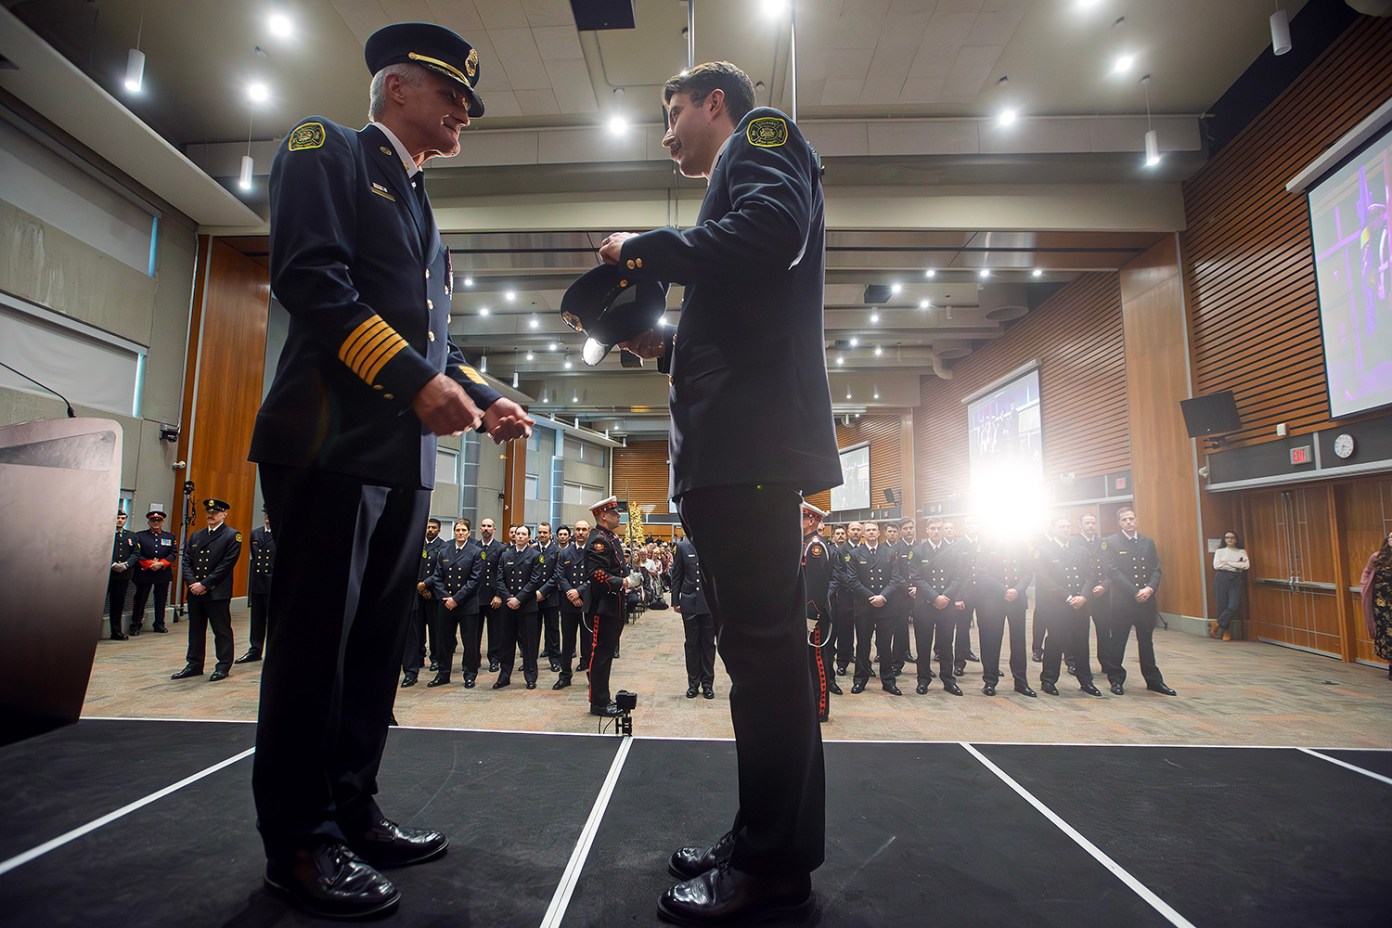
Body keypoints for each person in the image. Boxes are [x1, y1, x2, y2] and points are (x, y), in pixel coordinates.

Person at [246, 22, 533, 920]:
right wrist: (416, 382)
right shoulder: (325, 148)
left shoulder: (418, 204)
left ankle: (351, 808)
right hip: (328, 445)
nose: (463, 115)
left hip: (399, 460)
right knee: (314, 653)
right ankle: (298, 841)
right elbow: (312, 282)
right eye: (451, 95)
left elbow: (433, 340)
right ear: (396, 88)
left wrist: (484, 393)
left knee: (374, 653)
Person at [598, 60, 840, 923]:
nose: (667, 134)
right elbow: (742, 303)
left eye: (671, 114)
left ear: (714, 104)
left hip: (749, 447)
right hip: (735, 445)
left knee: (766, 659)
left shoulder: (761, 136)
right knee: (755, 658)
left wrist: (644, 247)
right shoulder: (727, 187)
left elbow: (769, 233)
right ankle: (762, 833)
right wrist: (661, 350)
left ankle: (774, 867)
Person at [1099, 508, 1176, 696]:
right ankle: (1116, 679)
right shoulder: (1110, 543)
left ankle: (1153, 680)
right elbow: (1113, 571)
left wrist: (1150, 588)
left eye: (1131, 519)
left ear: (1137, 520)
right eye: (1124, 519)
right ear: (1119, 522)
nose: (1128, 522)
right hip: (1123, 602)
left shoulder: (1147, 542)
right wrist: (1135, 592)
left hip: (1146, 601)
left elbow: (1156, 569)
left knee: (1146, 642)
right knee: (1118, 641)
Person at [172, 498, 243, 681]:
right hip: (195, 591)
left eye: (215, 512)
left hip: (216, 592)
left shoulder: (232, 535)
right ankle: (194, 664)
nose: (211, 515)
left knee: (221, 630)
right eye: (208, 512)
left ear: (224, 514)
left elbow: (226, 565)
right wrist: (193, 583)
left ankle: (223, 665)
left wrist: (205, 584)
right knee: (195, 629)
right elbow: (186, 560)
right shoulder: (196, 535)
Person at [1034, 517, 1103, 697]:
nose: (1065, 529)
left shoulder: (1080, 550)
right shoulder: (1044, 550)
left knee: (1081, 643)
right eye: (1061, 526)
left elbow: (1090, 576)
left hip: (1080, 604)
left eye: (1067, 526)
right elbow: (1045, 579)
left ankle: (1085, 681)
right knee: (1055, 642)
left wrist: (1083, 596)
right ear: (1053, 529)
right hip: (1057, 604)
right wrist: (1068, 596)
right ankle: (1048, 680)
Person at [582, 496, 633, 718]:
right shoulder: (598, 541)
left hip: (614, 604)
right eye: (614, 512)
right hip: (604, 606)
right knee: (601, 654)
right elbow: (596, 574)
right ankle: (599, 703)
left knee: (607, 653)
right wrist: (622, 582)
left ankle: (603, 698)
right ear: (604, 516)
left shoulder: (609, 538)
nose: (618, 516)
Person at [423, 519, 483, 687]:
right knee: (444, 641)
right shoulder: (444, 550)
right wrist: (446, 598)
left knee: (469, 641)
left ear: (469, 533)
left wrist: (456, 599)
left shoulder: (475, 552)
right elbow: (437, 576)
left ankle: (470, 674)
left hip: (466, 604)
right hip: (446, 603)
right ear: (454, 532)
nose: (461, 533)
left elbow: (474, 580)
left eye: (464, 530)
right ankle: (443, 673)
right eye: (458, 530)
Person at [976, 530, 1036, 697]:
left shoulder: (1021, 545)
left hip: (1017, 598)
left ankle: (1021, 682)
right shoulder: (988, 543)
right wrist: (1004, 590)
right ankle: (990, 681)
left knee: (1018, 641)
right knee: (992, 641)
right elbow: (982, 573)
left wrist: (1017, 589)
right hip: (994, 599)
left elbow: (1028, 571)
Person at [906, 518, 962, 696]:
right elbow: (916, 577)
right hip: (925, 605)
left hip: (947, 603)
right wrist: (934, 597)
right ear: (927, 530)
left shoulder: (953, 550)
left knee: (946, 644)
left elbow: (959, 575)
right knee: (923, 644)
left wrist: (946, 596)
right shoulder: (918, 551)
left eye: (939, 528)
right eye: (933, 529)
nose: (937, 531)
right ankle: (923, 680)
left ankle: (948, 680)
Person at [492, 524, 544, 689]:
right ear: (514, 537)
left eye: (524, 534)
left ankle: (530, 676)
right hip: (508, 606)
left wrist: (519, 599)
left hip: (526, 605)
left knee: (529, 643)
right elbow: (499, 579)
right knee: (506, 642)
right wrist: (508, 598)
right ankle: (504, 675)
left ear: (529, 538)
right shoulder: (505, 555)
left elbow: (535, 580)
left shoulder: (535, 555)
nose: (520, 536)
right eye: (518, 534)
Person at [802, 502, 838, 722]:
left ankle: (820, 708)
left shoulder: (815, 546)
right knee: (806, 662)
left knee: (817, 662)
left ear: (811, 520)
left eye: (800, 518)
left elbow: (816, 587)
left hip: (813, 616)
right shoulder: (804, 543)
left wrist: (810, 618)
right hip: (802, 614)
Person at [671, 533, 715, 700]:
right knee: (691, 644)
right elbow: (677, 575)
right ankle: (693, 684)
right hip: (689, 602)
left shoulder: (714, 545)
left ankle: (708, 684)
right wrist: (675, 600)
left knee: (708, 645)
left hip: (710, 603)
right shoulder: (682, 547)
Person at [129, 505, 177, 635]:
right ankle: (135, 624)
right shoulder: (140, 536)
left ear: (162, 522)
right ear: (149, 522)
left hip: (162, 573)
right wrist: (149, 563)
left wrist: (162, 563)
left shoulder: (170, 537)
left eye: (158, 521)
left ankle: (159, 624)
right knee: (140, 599)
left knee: (161, 599)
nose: (156, 523)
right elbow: (136, 553)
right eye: (153, 521)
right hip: (144, 572)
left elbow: (173, 553)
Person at [555, 520, 592, 688]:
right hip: (568, 602)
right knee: (567, 641)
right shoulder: (564, 552)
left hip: (587, 602)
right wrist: (571, 592)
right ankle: (565, 675)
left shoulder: (592, 552)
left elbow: (595, 576)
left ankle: (592, 675)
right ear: (573, 532)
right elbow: (559, 575)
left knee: (589, 641)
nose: (581, 532)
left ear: (589, 531)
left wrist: (580, 591)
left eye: (584, 529)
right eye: (578, 529)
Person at [237, 508, 275, 664]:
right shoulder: (255, 533)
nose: (267, 516)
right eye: (265, 513)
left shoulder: (281, 532)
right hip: (258, 582)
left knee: (272, 619)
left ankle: (273, 652)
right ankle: (255, 649)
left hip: (273, 582)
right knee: (257, 618)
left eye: (269, 513)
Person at [1360, 532, 1392, 680]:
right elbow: (1366, 573)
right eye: (1391, 537)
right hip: (1381, 605)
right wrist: (1364, 588)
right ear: (1387, 540)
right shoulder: (1377, 557)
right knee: (1386, 635)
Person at [477, 517, 505, 672]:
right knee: (474, 630)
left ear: (494, 529)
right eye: (483, 526)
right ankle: (474, 659)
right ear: (480, 529)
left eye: (489, 526)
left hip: (494, 596)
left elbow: (503, 573)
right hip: (476, 596)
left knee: (495, 631)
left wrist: (499, 594)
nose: (486, 528)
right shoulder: (474, 547)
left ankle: (494, 659)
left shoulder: (500, 548)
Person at [535, 522, 563, 671]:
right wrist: (534, 592)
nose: (542, 535)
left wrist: (542, 592)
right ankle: (530, 660)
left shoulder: (557, 552)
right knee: (533, 631)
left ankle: (554, 660)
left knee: (552, 630)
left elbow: (557, 575)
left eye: (545, 532)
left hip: (550, 596)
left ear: (550, 534)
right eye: (540, 532)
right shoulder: (532, 551)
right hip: (533, 597)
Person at [1210, 531, 1249, 640]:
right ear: (1224, 540)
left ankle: (1217, 624)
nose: (1230, 540)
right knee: (1222, 604)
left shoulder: (1241, 551)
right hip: (1221, 578)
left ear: (1236, 539)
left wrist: (1227, 563)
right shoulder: (1220, 551)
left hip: (1236, 578)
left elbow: (1246, 566)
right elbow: (1217, 566)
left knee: (1233, 605)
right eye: (1227, 538)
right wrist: (1236, 565)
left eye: (1232, 537)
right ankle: (1225, 632)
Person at [106, 510, 136, 641]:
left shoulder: (131, 536)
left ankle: (116, 631)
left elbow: (136, 553)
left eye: (123, 518)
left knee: (118, 604)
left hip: (123, 574)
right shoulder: (105, 534)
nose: (120, 520)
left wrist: (127, 565)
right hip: (106, 574)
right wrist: (112, 564)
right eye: (117, 518)